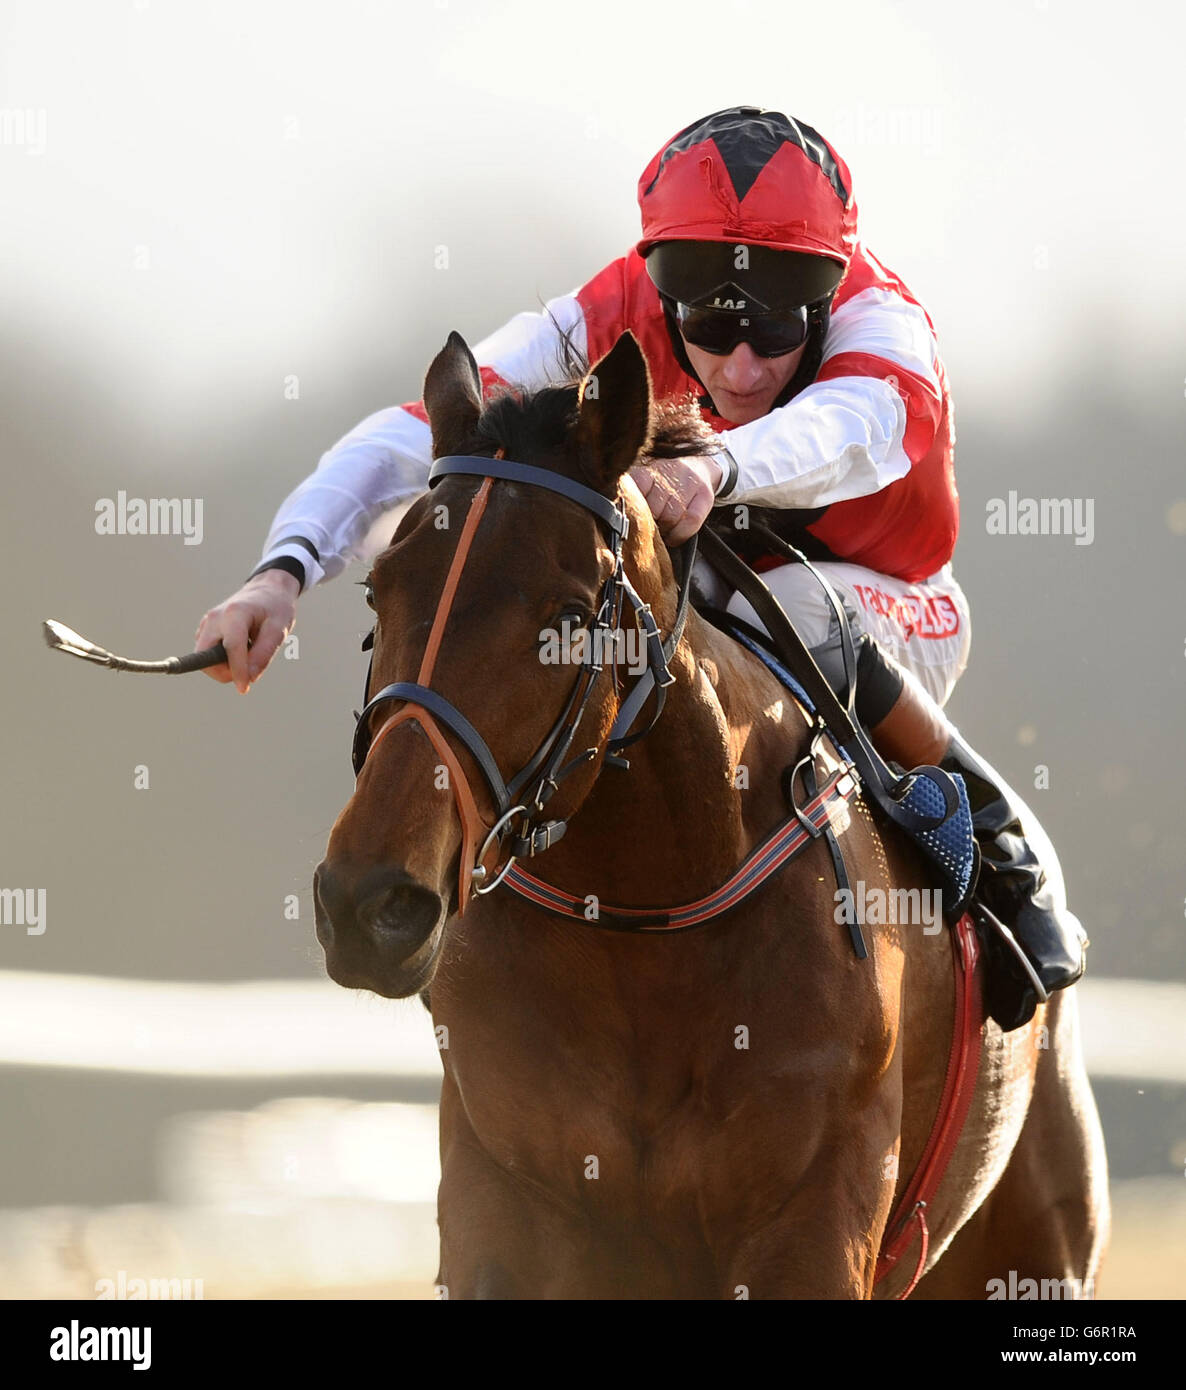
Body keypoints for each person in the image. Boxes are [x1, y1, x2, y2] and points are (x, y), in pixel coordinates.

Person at [194, 106, 1084, 1018]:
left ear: (825, 296)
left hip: (889, 602)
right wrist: (284, 568)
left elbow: (839, 434)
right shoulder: (607, 307)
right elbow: (410, 434)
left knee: (770, 600)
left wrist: (716, 468)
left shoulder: (885, 327)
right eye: (709, 319)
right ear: (665, 288)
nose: (741, 365)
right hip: (713, 574)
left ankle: (998, 836)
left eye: (776, 330)